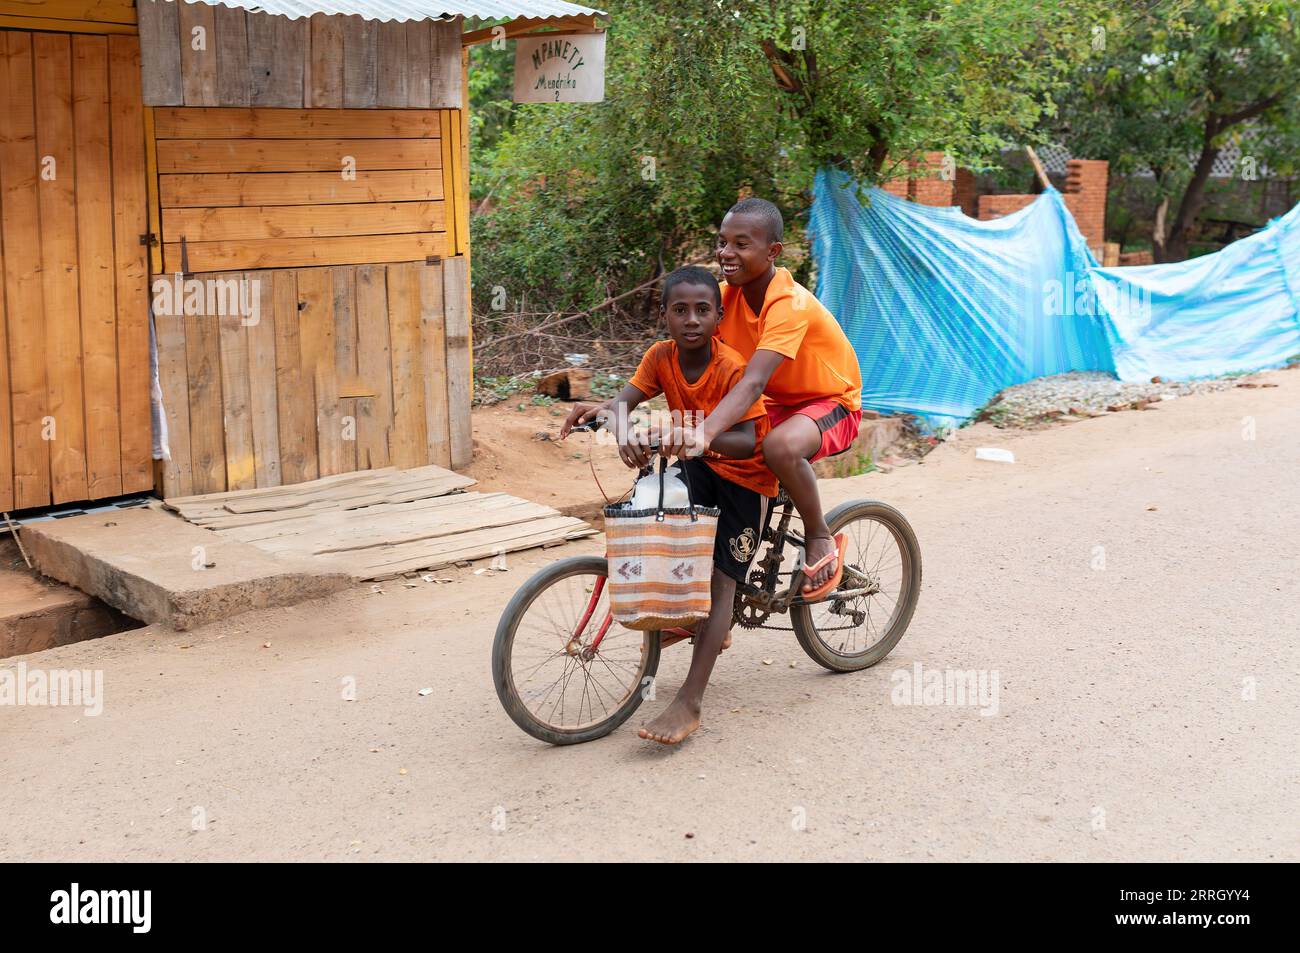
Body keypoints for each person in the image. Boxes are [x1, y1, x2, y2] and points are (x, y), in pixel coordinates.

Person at [561, 266, 776, 745]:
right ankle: (705, 625)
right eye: (680, 310)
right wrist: (624, 438)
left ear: (719, 318)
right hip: (701, 470)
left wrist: (698, 441)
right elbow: (620, 405)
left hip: (747, 479)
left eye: (703, 310)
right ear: (664, 316)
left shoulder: (731, 367)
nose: (692, 319)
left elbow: (746, 441)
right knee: (664, 528)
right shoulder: (661, 357)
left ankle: (689, 702)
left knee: (724, 580)